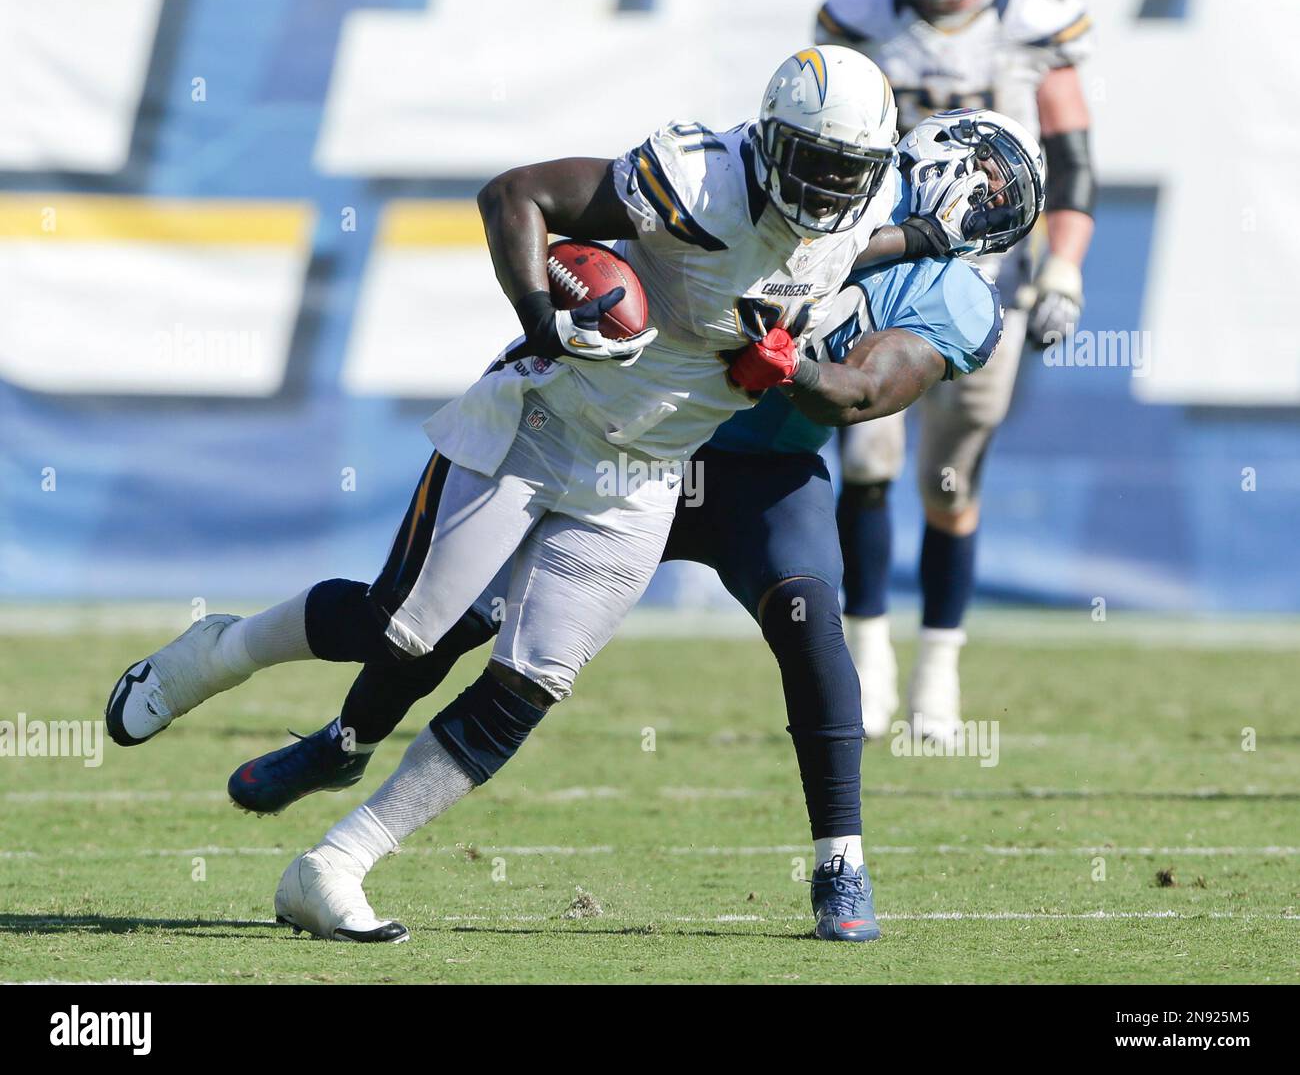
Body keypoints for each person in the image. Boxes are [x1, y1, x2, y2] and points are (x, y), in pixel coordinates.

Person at [107, 46, 982, 943]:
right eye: (816, 164)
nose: (831, 189)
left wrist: (805, 354)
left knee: (530, 682)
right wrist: (545, 318)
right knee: (402, 628)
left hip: (642, 477)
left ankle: (333, 866)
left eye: (851, 173)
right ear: (770, 142)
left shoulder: (861, 220)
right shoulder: (699, 175)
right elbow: (515, 194)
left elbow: (877, 278)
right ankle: (216, 653)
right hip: (540, 422)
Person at [816, 0, 1095, 743]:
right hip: (885, 272)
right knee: (867, 457)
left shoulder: (1034, 25)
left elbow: (1070, 161)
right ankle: (866, 658)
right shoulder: (862, 17)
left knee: (951, 483)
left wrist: (1064, 267)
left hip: (990, 285)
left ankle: (938, 669)